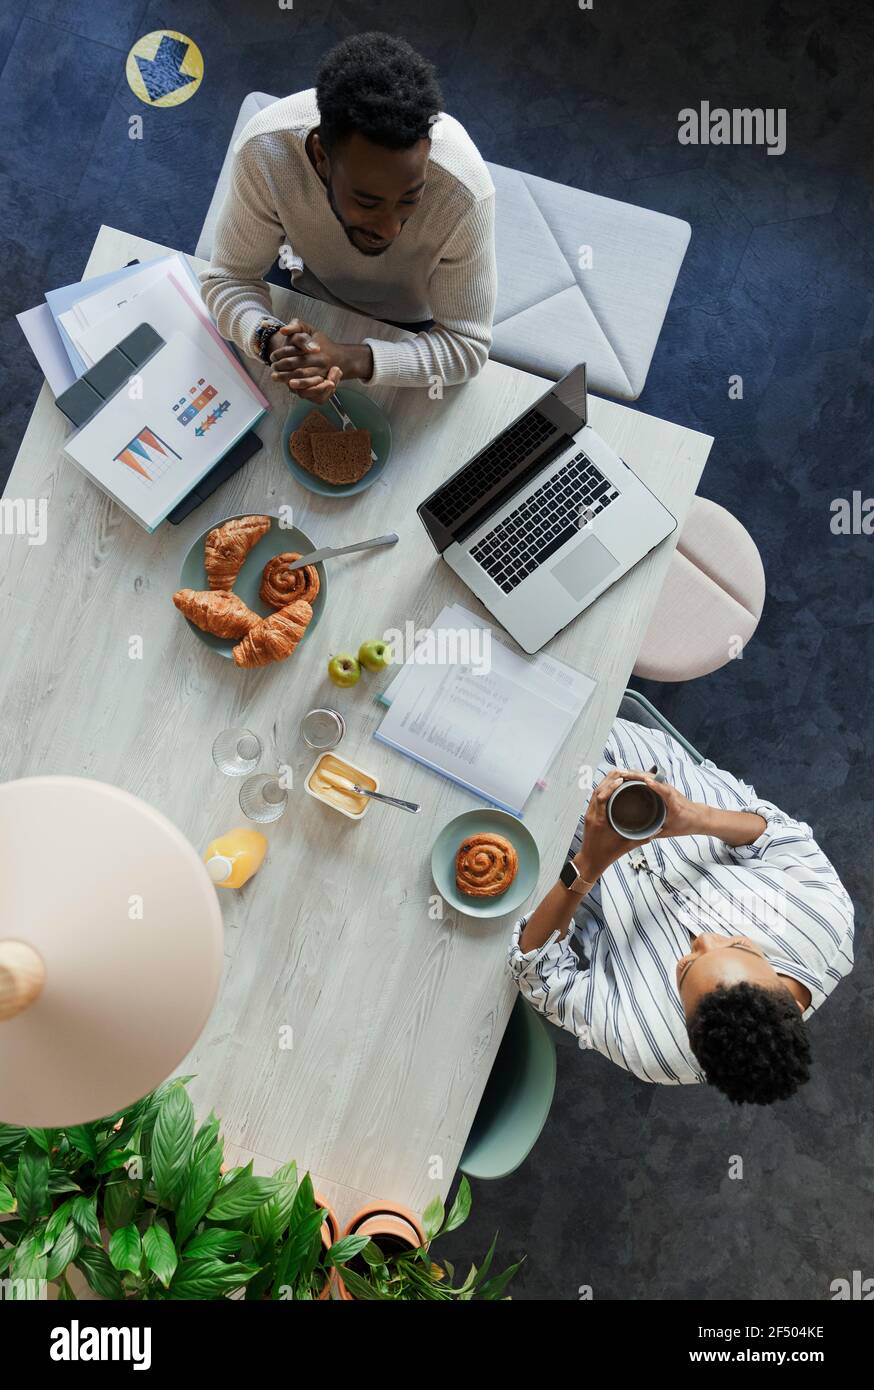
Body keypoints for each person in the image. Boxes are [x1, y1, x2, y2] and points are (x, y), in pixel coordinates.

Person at [508, 719, 854, 1104]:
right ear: (766, 964)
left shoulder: (652, 1048)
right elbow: (774, 833)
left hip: (539, 835)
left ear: (689, 1031)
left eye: (686, 966)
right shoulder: (826, 916)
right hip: (639, 764)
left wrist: (588, 865)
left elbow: (537, 973)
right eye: (733, 944)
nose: (703, 939)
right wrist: (693, 818)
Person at [200, 32, 497, 403]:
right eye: (368, 201)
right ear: (322, 159)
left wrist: (352, 360)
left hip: (406, 322)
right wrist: (273, 341)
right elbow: (229, 279)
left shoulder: (463, 193)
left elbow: (466, 345)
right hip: (300, 283)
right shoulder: (266, 151)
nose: (390, 229)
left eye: (410, 198)